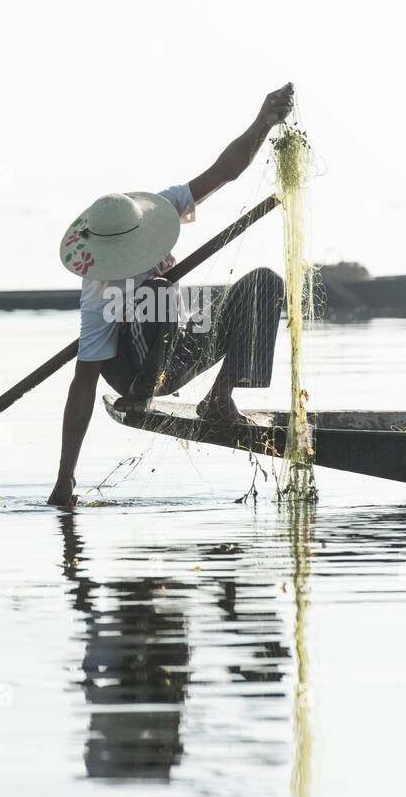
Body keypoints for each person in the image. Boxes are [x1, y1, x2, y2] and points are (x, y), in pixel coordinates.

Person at [48, 83, 294, 507]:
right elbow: (84, 383)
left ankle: (221, 396)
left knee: (264, 284)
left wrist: (263, 122)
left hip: (179, 345)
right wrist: (64, 477)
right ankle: (145, 393)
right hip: (135, 372)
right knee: (159, 293)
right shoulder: (99, 292)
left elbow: (224, 171)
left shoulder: (160, 210)